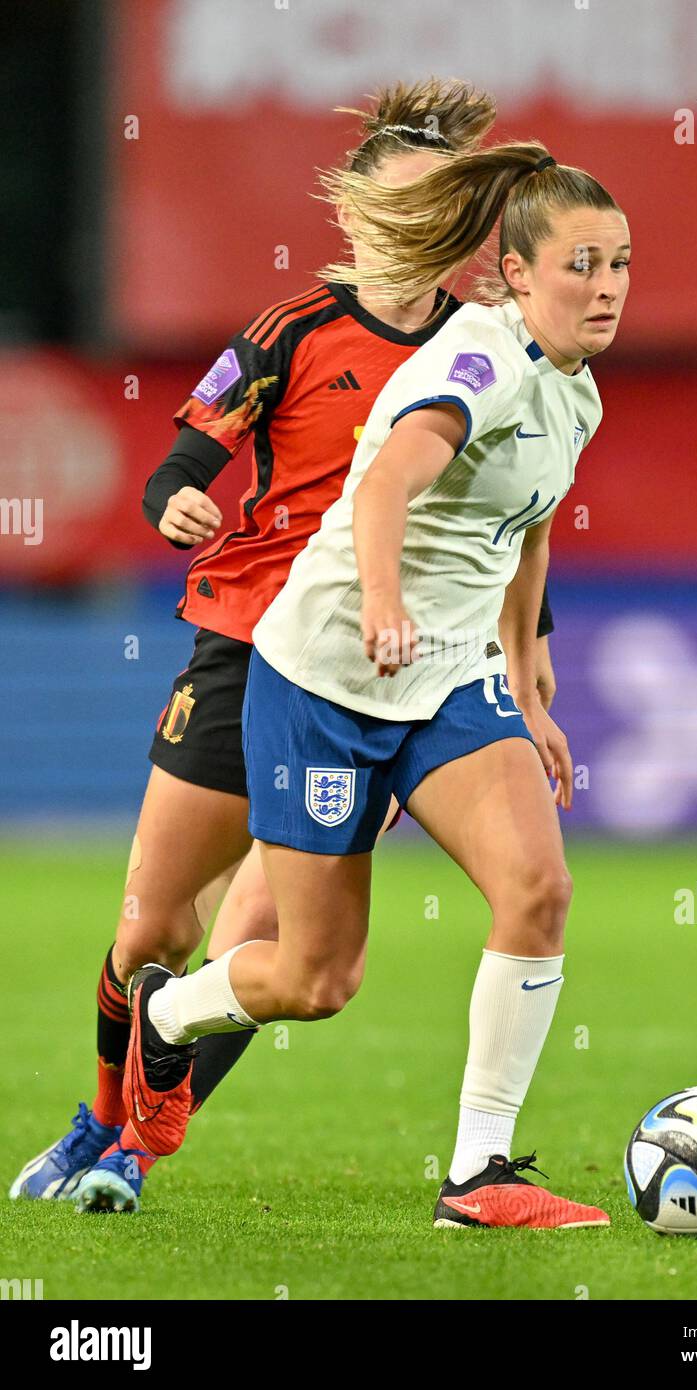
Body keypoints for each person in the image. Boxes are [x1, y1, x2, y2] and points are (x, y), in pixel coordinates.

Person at [10, 80, 552, 1212]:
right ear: (354, 212)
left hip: (376, 671)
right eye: (405, 204)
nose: (425, 226)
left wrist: (520, 656)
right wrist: (177, 507)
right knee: (156, 926)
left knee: (269, 941)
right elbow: (177, 467)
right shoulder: (290, 330)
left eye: (445, 207)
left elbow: (510, 511)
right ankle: (98, 1116)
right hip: (248, 645)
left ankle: (131, 1154)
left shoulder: (484, 349)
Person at [120, 143, 631, 1228]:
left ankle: (479, 1174)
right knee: (314, 979)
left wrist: (528, 687)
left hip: (445, 680)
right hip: (328, 674)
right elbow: (391, 474)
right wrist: (386, 601)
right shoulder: (478, 361)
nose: (605, 287)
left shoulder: (574, 391)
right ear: (512, 275)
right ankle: (167, 1019)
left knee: (537, 890)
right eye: (581, 264)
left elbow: (526, 523)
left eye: (620, 263)